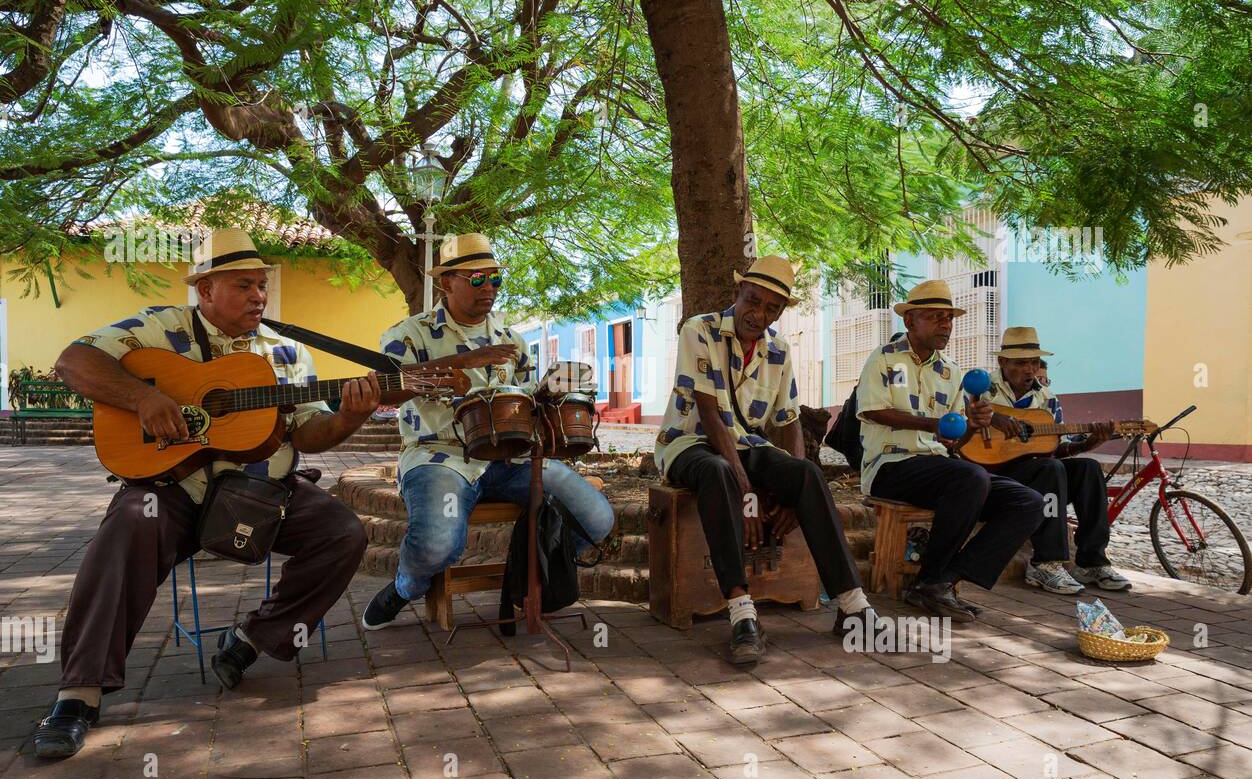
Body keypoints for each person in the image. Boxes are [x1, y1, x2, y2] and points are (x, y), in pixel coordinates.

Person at [31, 229, 382, 759]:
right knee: (126, 528)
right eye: (244, 285)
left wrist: (351, 416)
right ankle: (79, 694)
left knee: (344, 532)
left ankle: (252, 640)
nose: (259, 296)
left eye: (262, 286)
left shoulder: (286, 352)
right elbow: (74, 361)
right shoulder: (156, 328)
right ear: (206, 290)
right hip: (171, 488)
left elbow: (310, 434)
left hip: (264, 491)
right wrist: (143, 396)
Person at [360, 233, 614, 629]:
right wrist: (466, 361)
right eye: (477, 279)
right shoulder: (408, 334)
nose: (489, 288)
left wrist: (557, 394)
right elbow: (390, 387)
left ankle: (522, 578)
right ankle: (405, 588)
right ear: (447, 283)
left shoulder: (511, 340)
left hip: (511, 456)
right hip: (438, 456)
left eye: (495, 279)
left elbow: (529, 396)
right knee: (436, 544)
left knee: (595, 519)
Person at [656, 256, 877, 664]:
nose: (758, 314)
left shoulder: (779, 350)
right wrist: (748, 496)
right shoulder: (699, 330)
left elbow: (789, 421)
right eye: (753, 301)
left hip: (747, 445)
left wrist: (793, 492)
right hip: (689, 443)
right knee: (717, 469)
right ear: (737, 293)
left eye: (770, 308)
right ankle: (742, 613)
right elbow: (708, 412)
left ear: (779, 313)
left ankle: (851, 603)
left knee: (808, 473)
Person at [856, 279, 1045, 619]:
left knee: (1028, 501)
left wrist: (972, 424)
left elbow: (955, 442)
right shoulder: (885, 359)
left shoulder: (951, 372)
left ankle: (941, 581)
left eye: (949, 318)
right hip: (890, 466)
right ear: (909, 320)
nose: (945, 325)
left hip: (939, 470)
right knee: (970, 477)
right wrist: (933, 424)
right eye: (935, 317)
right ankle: (931, 581)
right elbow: (872, 410)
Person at [984, 327, 1129, 593]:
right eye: (1020, 363)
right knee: (1050, 469)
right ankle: (1045, 563)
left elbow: (1056, 448)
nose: (1029, 370)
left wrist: (1089, 443)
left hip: (1036, 473)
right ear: (1002, 362)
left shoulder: (1047, 399)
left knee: (1088, 468)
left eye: (1034, 362)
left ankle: (1092, 561)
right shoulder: (982, 390)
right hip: (992, 474)